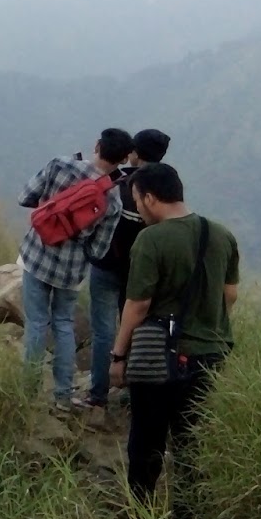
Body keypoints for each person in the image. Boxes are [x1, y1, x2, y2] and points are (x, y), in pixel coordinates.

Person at [109, 162, 237, 519]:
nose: (137, 208)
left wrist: (118, 356)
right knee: (191, 444)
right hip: (210, 356)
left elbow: (138, 305)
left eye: (137, 200)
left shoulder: (151, 240)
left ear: (150, 198)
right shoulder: (221, 235)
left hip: (158, 358)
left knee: (146, 441)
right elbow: (230, 294)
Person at [17, 129, 130, 411]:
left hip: (36, 256)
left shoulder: (60, 165)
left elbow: (26, 196)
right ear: (123, 160)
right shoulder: (113, 200)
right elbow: (98, 251)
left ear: (97, 145)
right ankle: (63, 396)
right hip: (71, 272)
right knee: (63, 324)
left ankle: (27, 392)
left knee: (36, 323)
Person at [79, 127, 171, 411]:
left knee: (103, 331)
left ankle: (98, 394)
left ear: (134, 153)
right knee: (137, 330)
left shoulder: (119, 183)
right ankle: (133, 394)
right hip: (141, 275)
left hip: (106, 266)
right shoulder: (165, 190)